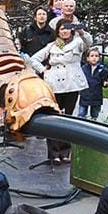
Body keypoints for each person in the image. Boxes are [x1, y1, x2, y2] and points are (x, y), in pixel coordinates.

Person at [31, 19, 89, 164]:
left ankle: (65, 151)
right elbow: (34, 59)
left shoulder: (78, 42)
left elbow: (88, 42)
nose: (64, 31)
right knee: (54, 117)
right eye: (61, 28)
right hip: (54, 84)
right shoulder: (52, 46)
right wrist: (43, 70)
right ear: (57, 31)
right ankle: (54, 153)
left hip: (71, 84)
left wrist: (81, 30)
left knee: (68, 118)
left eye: (67, 28)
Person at [82, 46, 108, 119]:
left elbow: (104, 81)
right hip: (85, 95)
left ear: (99, 58)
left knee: (94, 115)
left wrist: (105, 83)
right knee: (81, 114)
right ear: (87, 58)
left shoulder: (102, 69)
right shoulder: (83, 68)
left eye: (96, 56)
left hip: (96, 96)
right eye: (92, 56)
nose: (94, 58)